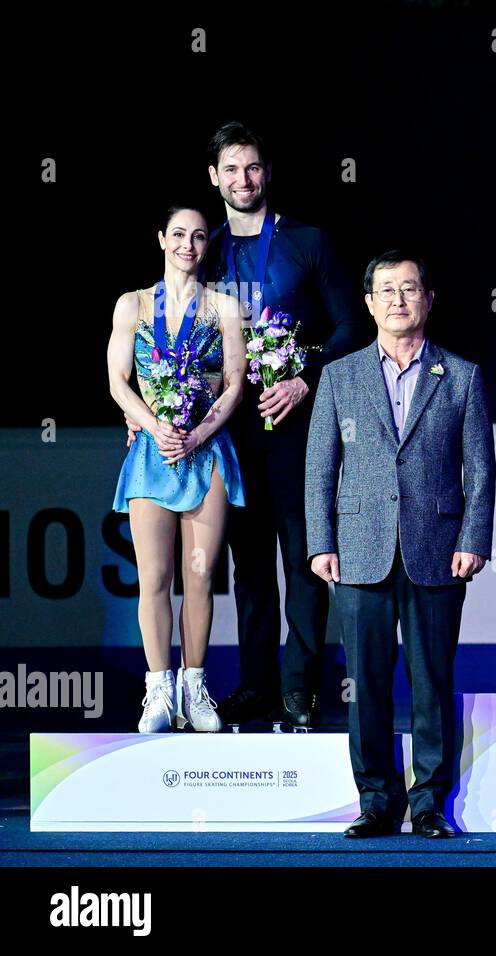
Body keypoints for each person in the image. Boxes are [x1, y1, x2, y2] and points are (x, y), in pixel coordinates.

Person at [305, 251, 495, 838]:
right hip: (358, 549)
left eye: (409, 288)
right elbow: (318, 466)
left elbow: (481, 470)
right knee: (366, 681)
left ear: (428, 299)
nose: (397, 300)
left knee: (432, 679)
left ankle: (430, 801)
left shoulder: (461, 375)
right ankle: (376, 799)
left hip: (437, 549)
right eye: (385, 290)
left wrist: (474, 538)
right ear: (368, 303)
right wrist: (320, 542)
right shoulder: (340, 375)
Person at [198, 121, 367, 730]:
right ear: (214, 178)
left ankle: (300, 688)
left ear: (267, 173)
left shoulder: (308, 241)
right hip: (228, 427)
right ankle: (256, 686)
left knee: (302, 558)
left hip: (295, 423)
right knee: (247, 565)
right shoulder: (204, 250)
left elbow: (351, 326)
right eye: (231, 169)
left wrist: (305, 378)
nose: (244, 180)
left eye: (254, 168)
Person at [108, 206, 247, 733]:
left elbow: (235, 382)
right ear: (161, 238)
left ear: (205, 245)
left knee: (199, 575)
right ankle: (158, 691)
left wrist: (198, 433)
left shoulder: (225, 308)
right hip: (152, 452)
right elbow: (118, 380)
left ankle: (194, 687)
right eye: (178, 235)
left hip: (206, 450)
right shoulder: (133, 304)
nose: (188, 244)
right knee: (155, 577)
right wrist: (152, 425)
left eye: (197, 236)